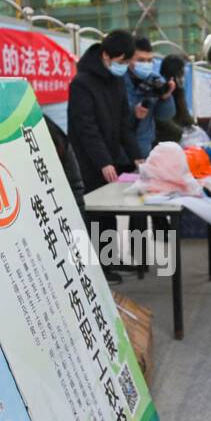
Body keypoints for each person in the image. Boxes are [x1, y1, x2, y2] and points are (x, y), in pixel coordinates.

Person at [67, 29, 144, 282]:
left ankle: (110, 261)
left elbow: (124, 125)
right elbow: (86, 128)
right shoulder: (82, 83)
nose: (123, 67)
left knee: (109, 212)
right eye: (121, 62)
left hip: (108, 157)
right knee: (95, 213)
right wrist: (103, 161)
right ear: (106, 55)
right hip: (87, 160)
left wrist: (137, 157)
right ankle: (98, 268)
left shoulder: (116, 80)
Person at [124, 36, 175, 158]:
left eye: (149, 60)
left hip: (145, 148)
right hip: (121, 151)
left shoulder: (155, 80)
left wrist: (165, 98)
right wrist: (134, 112)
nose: (146, 64)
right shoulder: (118, 81)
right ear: (128, 59)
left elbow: (165, 116)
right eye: (141, 60)